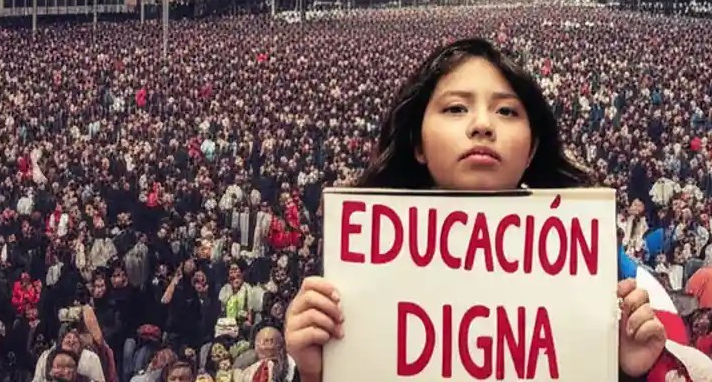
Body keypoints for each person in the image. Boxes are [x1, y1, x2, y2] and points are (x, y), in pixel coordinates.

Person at [282, 38, 668, 382]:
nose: (482, 125)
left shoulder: (600, 272)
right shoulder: (356, 271)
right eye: (455, 109)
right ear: (417, 143)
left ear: (532, 147)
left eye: (506, 112)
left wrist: (621, 370)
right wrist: (317, 371)